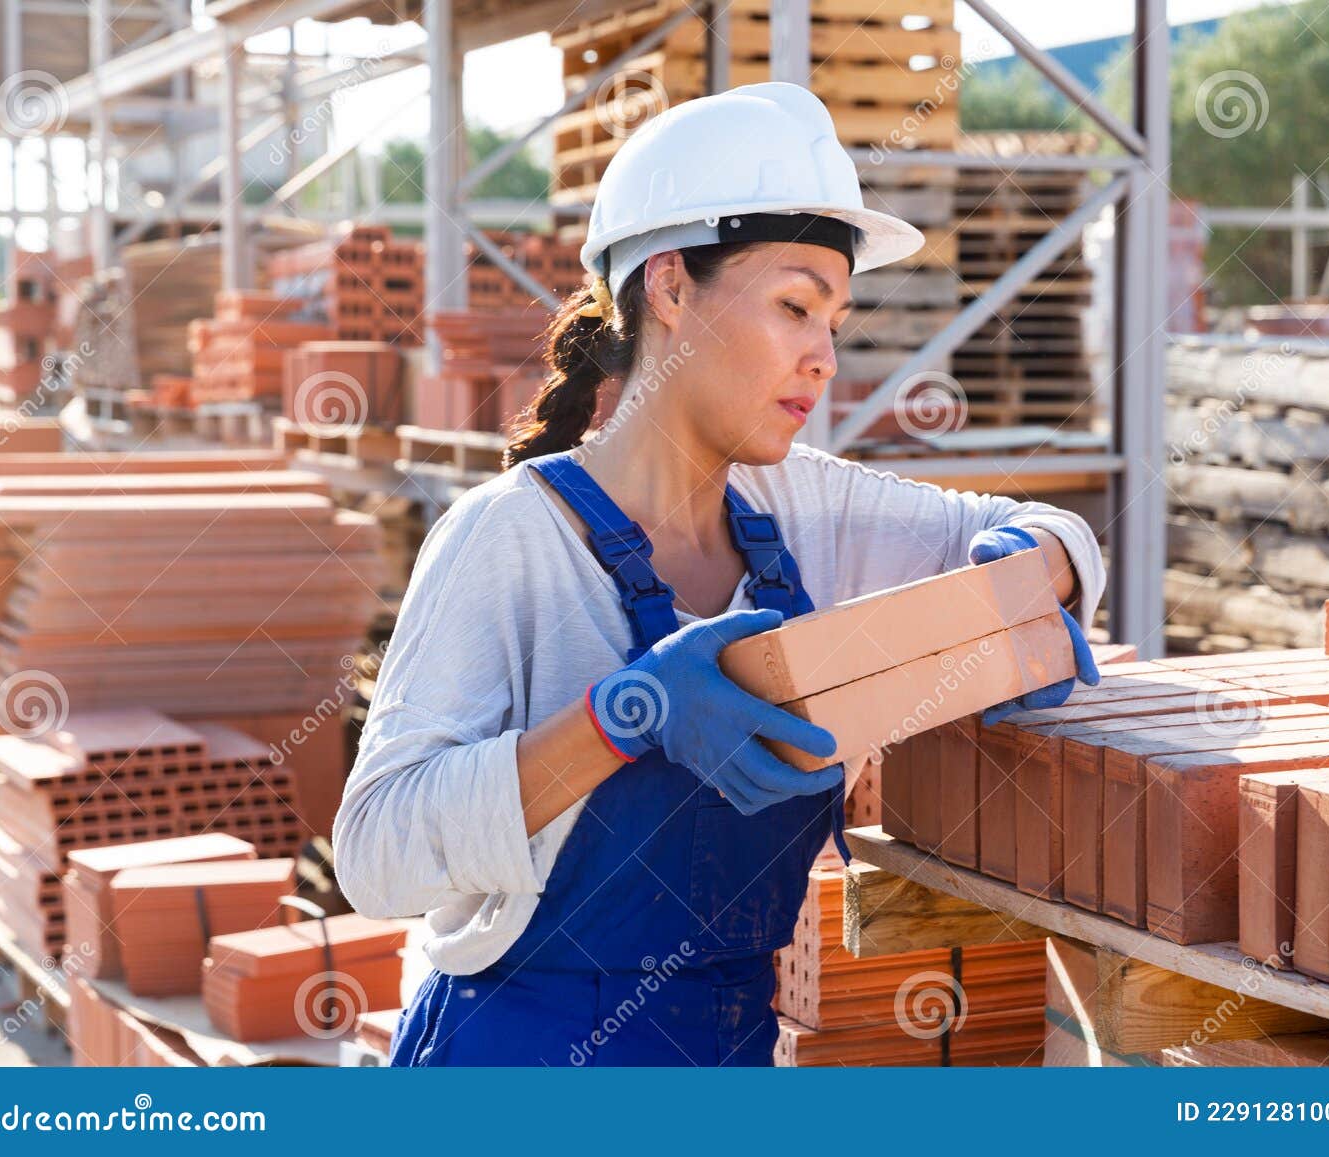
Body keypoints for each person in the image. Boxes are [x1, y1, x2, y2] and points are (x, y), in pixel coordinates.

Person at [334, 82, 1104, 1067]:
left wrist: (1030, 580)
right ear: (669, 286)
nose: (822, 357)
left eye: (835, 321)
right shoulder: (509, 539)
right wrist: (619, 718)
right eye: (794, 306)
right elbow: (375, 854)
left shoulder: (803, 511)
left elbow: (1047, 531)